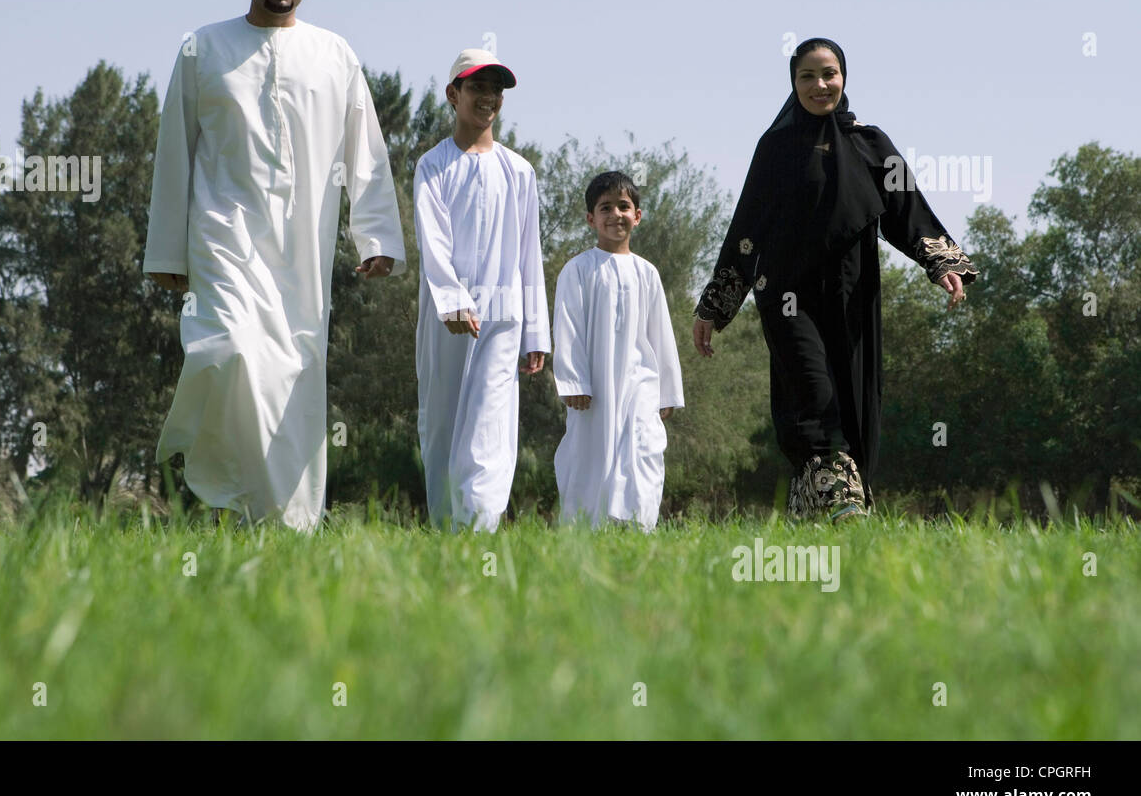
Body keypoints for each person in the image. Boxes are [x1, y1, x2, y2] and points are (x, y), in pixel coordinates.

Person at [143, 0, 407, 531]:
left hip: (302, 248)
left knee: (294, 376)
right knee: (232, 350)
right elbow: (174, 152)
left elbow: (364, 149)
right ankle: (240, 498)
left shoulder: (334, 54)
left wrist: (376, 238)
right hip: (223, 233)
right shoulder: (202, 48)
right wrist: (166, 251)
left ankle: (285, 525)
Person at [691, 37, 977, 522]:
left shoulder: (870, 143)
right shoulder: (776, 148)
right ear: (793, 83)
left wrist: (941, 263)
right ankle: (840, 502)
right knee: (812, 390)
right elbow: (746, 231)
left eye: (829, 74)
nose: (820, 85)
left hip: (851, 294)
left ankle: (822, 512)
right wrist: (715, 306)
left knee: (849, 398)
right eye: (808, 76)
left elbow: (908, 213)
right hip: (786, 297)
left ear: (844, 78)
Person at [413, 49, 550, 533]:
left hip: (503, 316)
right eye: (477, 87)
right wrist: (450, 300)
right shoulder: (432, 165)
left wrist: (536, 331)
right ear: (454, 94)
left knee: (490, 426)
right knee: (444, 427)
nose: (488, 98)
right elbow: (433, 241)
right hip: (446, 317)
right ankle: (446, 530)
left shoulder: (520, 171)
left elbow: (528, 252)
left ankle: (478, 531)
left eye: (496, 90)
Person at [552, 171, 684, 532]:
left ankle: (639, 527)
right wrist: (574, 380)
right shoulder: (577, 270)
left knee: (643, 452)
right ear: (590, 218)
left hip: (640, 384)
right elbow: (567, 327)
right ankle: (586, 529)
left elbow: (660, 334)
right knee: (590, 457)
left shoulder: (647, 273)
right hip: (593, 388)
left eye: (624, 206)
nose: (616, 215)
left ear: (637, 215)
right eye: (605, 207)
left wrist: (667, 392)